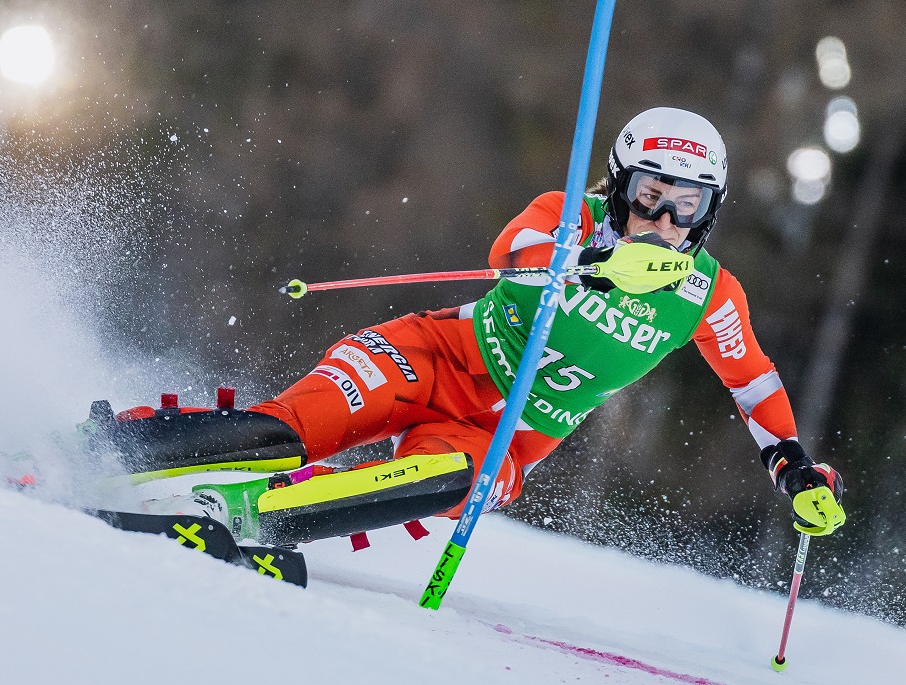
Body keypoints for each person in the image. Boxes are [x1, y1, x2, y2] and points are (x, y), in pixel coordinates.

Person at [93, 107, 845, 549]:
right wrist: (581, 262)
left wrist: (793, 465)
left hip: (498, 438)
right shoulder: (569, 216)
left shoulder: (709, 296)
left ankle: (246, 517)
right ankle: (108, 448)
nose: (664, 220)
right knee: (292, 429)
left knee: (461, 479)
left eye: (687, 204)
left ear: (708, 210)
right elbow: (508, 252)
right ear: (618, 187)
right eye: (650, 194)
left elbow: (754, 383)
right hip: (430, 357)